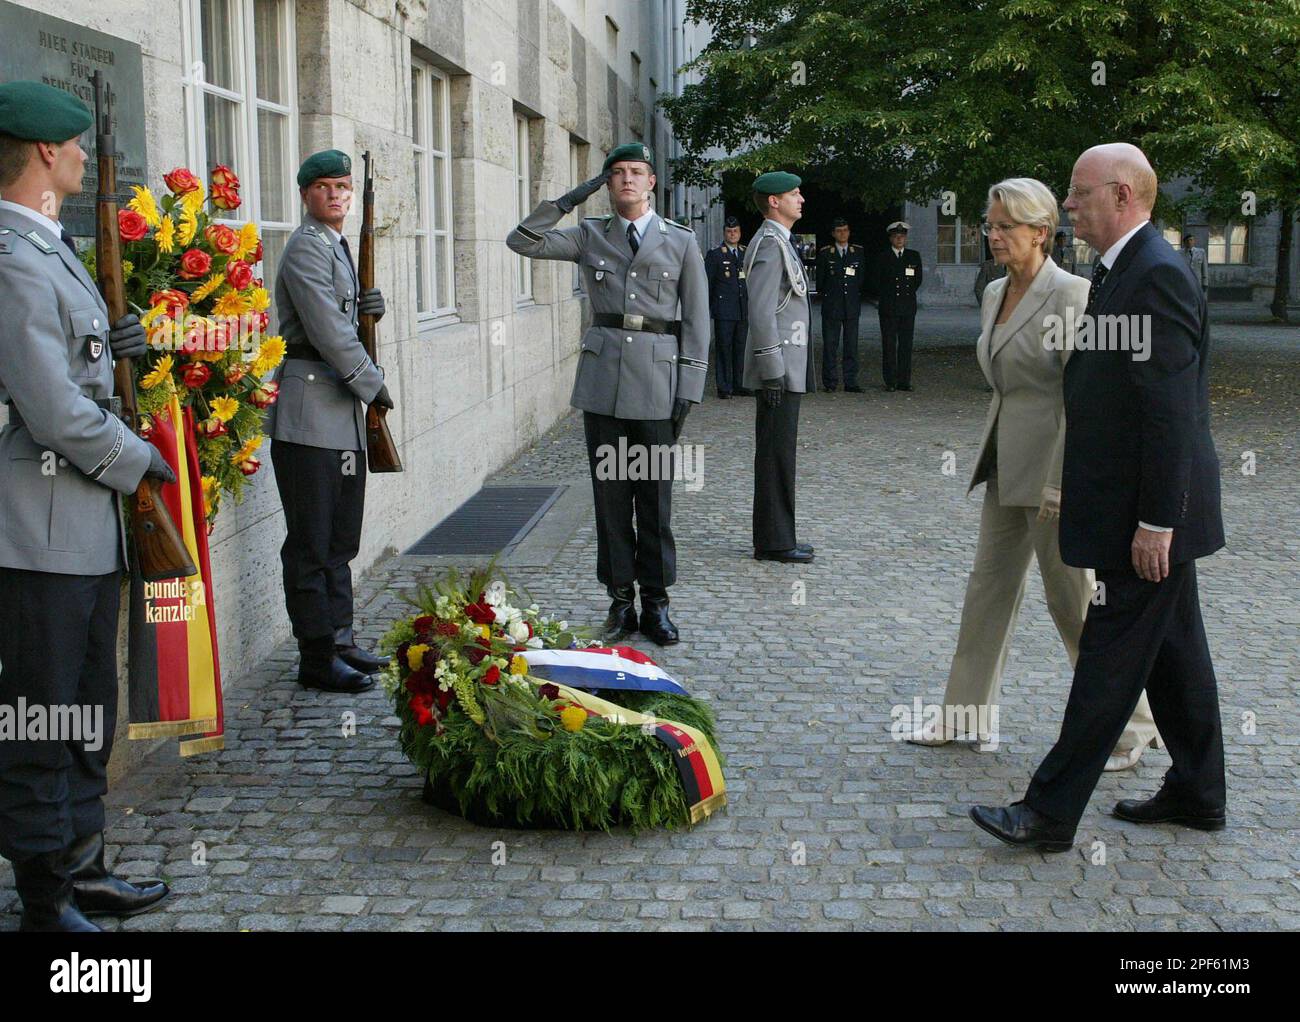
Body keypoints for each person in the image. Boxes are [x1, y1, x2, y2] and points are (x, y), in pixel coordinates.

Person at [971, 143, 1227, 851]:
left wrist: (1155, 522)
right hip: (1141, 510)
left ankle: (1049, 813)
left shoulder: (1156, 276)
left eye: (1080, 194)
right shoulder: (1122, 271)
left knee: (1109, 660)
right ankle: (1200, 793)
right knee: (1177, 658)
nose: (1070, 204)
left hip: (1148, 520)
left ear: (1121, 197)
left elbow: (1170, 411)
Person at [907, 177, 1161, 770]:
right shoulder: (994, 292)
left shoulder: (1075, 295)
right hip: (1003, 463)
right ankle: (964, 715)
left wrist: (1061, 481)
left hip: (1056, 472)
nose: (991, 235)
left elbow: (1084, 400)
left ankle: (1135, 725)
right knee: (986, 591)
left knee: (1071, 601)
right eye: (988, 225)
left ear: (1041, 232)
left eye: (1004, 227)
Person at [0, 80, 172, 931]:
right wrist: (142, 460)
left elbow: (78, 360)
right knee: (39, 716)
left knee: (85, 709)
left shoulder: (47, 244)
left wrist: (118, 335)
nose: (80, 157)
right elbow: (53, 408)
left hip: (80, 526)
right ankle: (44, 899)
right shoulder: (9, 258)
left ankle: (83, 864)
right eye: (73, 145)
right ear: (41, 153)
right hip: (37, 532)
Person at [507, 142, 709, 645]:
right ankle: (621, 602)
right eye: (616, 174)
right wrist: (572, 198)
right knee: (611, 499)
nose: (626, 181)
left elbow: (698, 320)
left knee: (655, 501)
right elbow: (523, 240)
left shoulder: (680, 242)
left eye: (636, 172)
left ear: (652, 182)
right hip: (603, 388)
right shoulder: (590, 234)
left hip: (659, 384)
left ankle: (657, 603)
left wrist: (689, 386)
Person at [267, 149, 392, 694]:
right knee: (312, 542)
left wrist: (371, 308)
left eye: (343, 186)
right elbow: (327, 330)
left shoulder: (336, 246)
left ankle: (340, 638)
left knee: (341, 537)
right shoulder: (305, 248)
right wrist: (373, 382)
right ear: (305, 195)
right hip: (310, 412)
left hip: (337, 411)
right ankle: (316, 655)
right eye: (325, 186)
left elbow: (345, 320)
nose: (337, 194)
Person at [743, 172, 815, 565]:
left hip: (788, 365)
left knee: (781, 454)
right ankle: (773, 541)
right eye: (793, 194)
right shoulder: (771, 245)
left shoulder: (780, 242)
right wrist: (772, 369)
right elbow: (761, 311)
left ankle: (779, 534)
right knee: (774, 455)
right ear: (774, 201)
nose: (801, 199)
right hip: (779, 368)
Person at [815, 216, 865, 392]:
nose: (842, 233)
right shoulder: (825, 253)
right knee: (830, 345)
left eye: (845, 230)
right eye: (839, 231)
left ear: (849, 232)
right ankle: (830, 382)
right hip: (832, 306)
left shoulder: (857, 252)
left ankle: (850, 381)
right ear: (833, 234)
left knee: (851, 346)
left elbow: (860, 279)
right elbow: (820, 282)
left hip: (851, 306)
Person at [704, 215, 749, 398]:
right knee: (724, 349)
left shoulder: (746, 253)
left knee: (741, 349)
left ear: (740, 233)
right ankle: (724, 386)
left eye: (735, 231)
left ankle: (739, 384)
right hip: (724, 310)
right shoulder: (715, 255)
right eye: (729, 232)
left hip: (742, 309)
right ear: (724, 233)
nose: (732, 234)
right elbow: (708, 283)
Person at [875, 221, 923, 391]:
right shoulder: (883, 257)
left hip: (907, 307)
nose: (900, 239)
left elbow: (917, 280)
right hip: (889, 307)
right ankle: (890, 381)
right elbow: (878, 281)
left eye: (902, 236)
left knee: (906, 345)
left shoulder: (913, 256)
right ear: (891, 239)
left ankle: (904, 380)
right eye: (896, 236)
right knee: (889, 345)